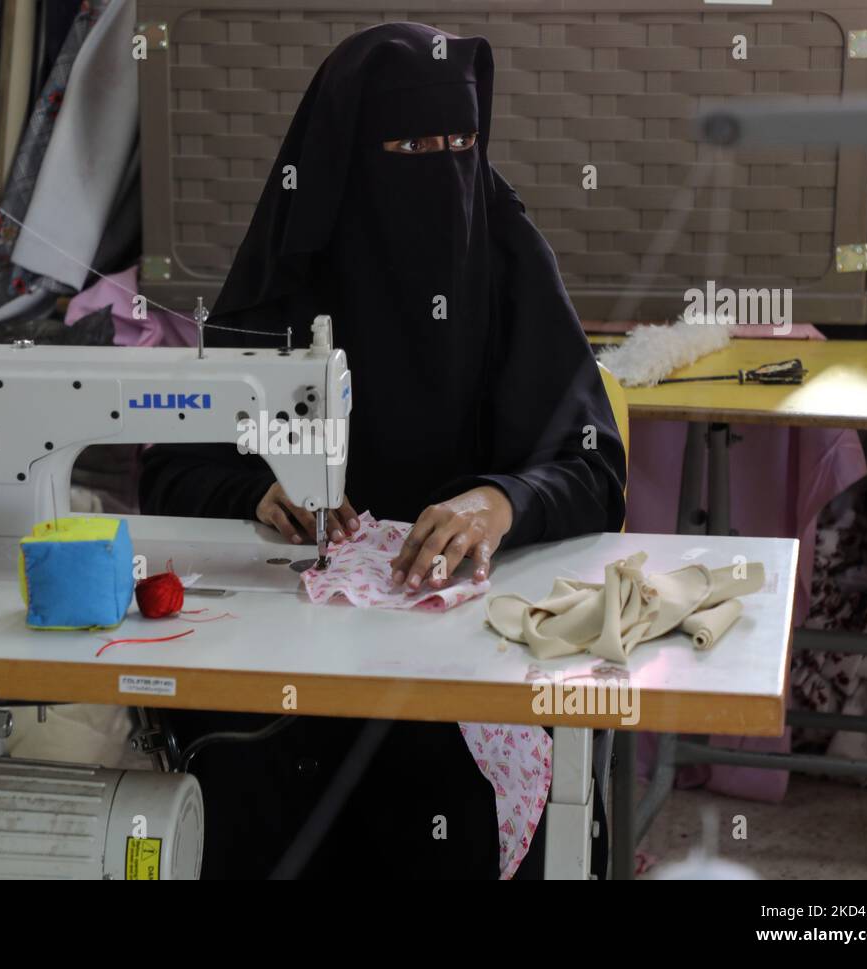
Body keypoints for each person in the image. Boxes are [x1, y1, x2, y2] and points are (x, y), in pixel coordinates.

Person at [140, 22, 626, 878]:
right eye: (410, 145)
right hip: (285, 664)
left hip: (460, 666)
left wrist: (499, 500)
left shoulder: (506, 259)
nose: (442, 169)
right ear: (347, 161)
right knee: (238, 775)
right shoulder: (285, 280)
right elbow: (172, 465)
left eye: (461, 142)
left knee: (440, 803)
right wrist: (254, 495)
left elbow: (594, 469)